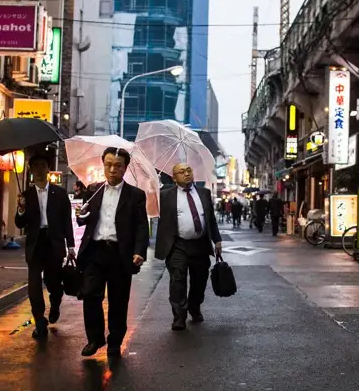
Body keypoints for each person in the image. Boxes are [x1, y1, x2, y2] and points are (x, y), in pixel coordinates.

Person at [76, 147, 149, 357]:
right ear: (103, 165)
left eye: (117, 165)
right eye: (108, 164)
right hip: (95, 251)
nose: (112, 169)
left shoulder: (135, 195)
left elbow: (141, 226)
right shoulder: (93, 190)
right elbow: (85, 219)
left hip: (120, 254)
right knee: (90, 294)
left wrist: (139, 251)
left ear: (125, 168)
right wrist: (80, 215)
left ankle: (115, 340)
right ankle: (95, 338)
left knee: (118, 300)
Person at [155, 162, 223, 331]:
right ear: (174, 177)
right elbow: (148, 205)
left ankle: (194, 307)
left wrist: (217, 240)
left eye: (188, 170)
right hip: (178, 245)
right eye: (181, 172)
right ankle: (179, 316)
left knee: (199, 280)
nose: (186, 174)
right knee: (177, 280)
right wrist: (154, 186)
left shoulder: (204, 193)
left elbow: (211, 219)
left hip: (200, 245)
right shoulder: (164, 195)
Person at [15, 154, 75, 339]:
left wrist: (71, 245)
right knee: (33, 285)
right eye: (36, 166)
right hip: (35, 243)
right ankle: (39, 320)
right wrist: (21, 209)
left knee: (53, 282)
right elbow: (19, 223)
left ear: (48, 169)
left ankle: (55, 303)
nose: (40, 170)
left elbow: (66, 221)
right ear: (31, 170)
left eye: (43, 165)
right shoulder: (26, 195)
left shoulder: (60, 193)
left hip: (54, 242)